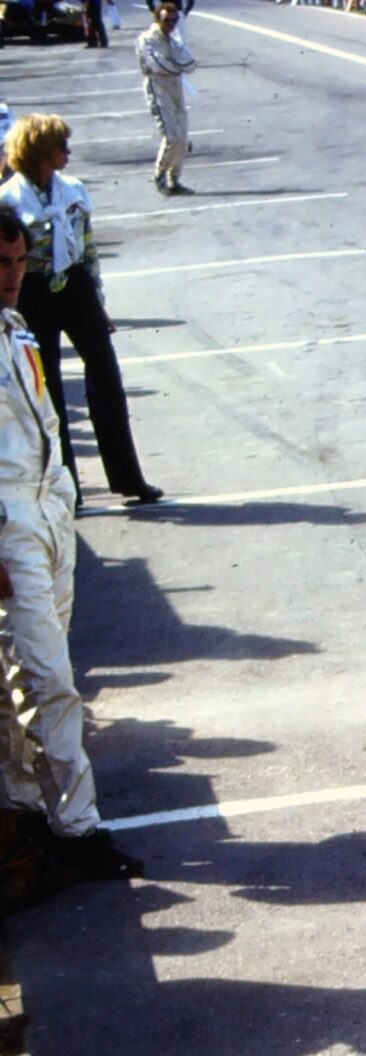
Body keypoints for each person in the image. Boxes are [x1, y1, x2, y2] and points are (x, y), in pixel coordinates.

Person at [0, 208, 143, 898]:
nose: (10, 277)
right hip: (7, 528)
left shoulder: (16, 329)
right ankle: (78, 829)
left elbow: (47, 429)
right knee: (49, 681)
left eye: (18, 263)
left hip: (46, 516)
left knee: (31, 675)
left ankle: (24, 810)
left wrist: (61, 497)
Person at [0, 117, 161, 510]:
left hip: (74, 286)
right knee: (48, 387)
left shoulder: (74, 190)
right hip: (34, 292)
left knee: (105, 376)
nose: (68, 153)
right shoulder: (9, 199)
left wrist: (98, 300)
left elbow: (87, 248)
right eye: (62, 146)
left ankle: (127, 477)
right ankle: (67, 487)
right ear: (40, 150)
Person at [135, 3, 194, 197]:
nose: (170, 24)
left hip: (176, 88)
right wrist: (178, 67)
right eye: (166, 20)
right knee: (171, 136)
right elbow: (158, 65)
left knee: (183, 138)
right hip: (158, 88)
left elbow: (190, 63)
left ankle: (174, 178)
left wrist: (177, 66)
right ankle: (159, 175)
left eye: (173, 20)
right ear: (157, 19)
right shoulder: (146, 40)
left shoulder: (173, 40)